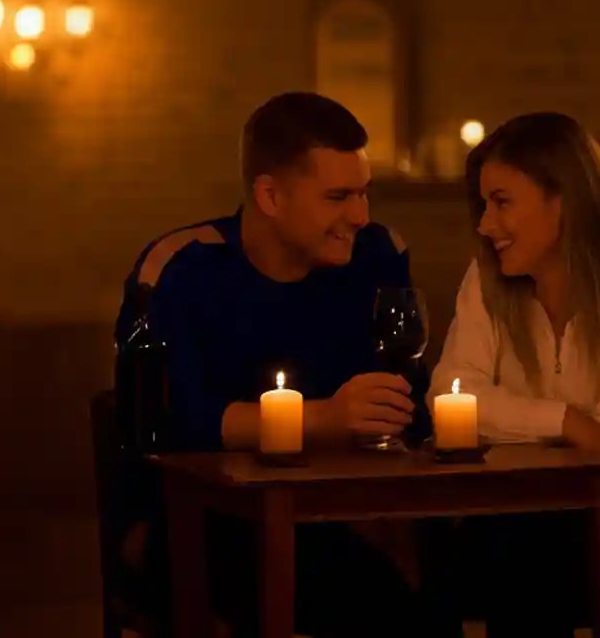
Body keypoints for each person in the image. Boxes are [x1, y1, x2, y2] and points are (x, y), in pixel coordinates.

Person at [113, 92, 437, 637]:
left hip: (344, 512)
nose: (360, 216)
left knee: (460, 575)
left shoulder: (377, 254)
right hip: (196, 518)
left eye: (364, 192)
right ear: (270, 195)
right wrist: (321, 419)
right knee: (381, 605)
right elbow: (163, 423)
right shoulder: (184, 269)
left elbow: (412, 406)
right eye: (337, 197)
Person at [430, 112, 600, 636]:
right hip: (520, 514)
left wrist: (510, 419)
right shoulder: (487, 281)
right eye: (484, 205)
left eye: (502, 202)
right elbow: (449, 394)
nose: (485, 226)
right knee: (431, 560)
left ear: (564, 199)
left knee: (523, 563)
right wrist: (565, 421)